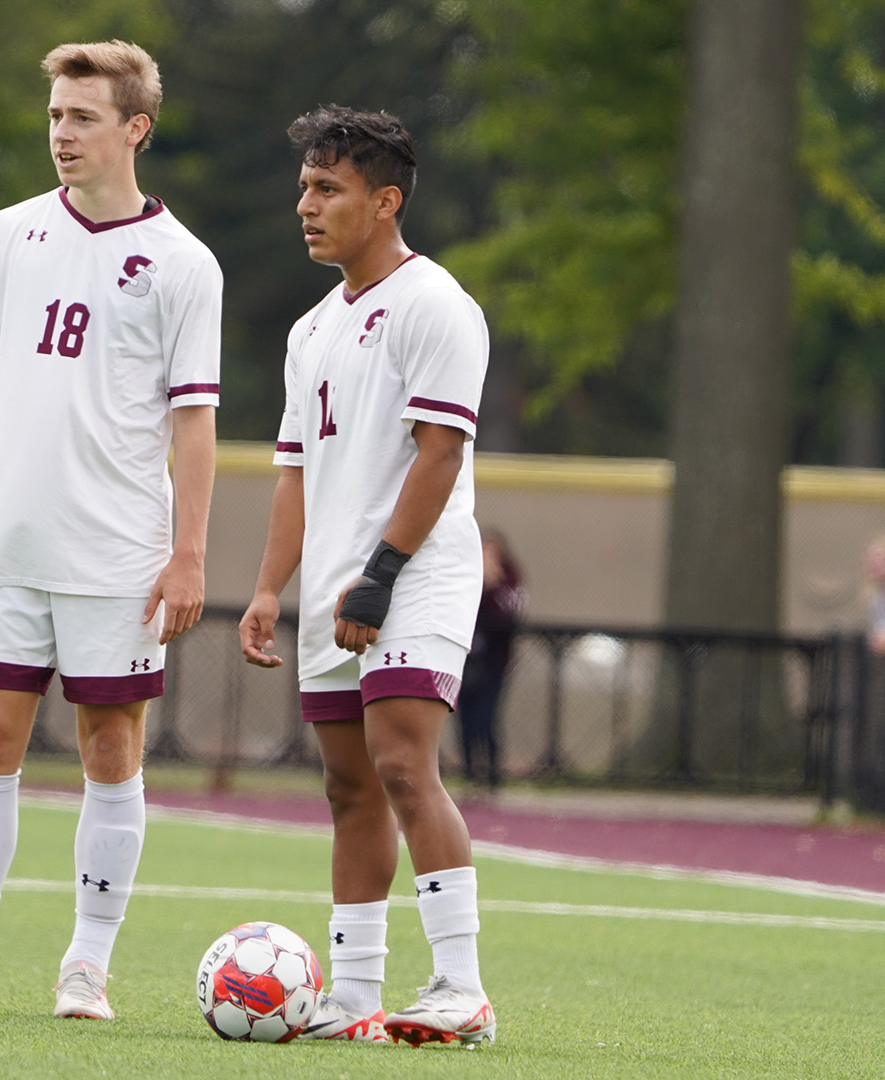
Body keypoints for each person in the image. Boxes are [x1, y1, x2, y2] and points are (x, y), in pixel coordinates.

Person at [0, 40, 222, 1020]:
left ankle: (87, 967)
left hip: (118, 554)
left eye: (81, 117)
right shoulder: (8, 235)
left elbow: (196, 419)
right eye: (53, 116)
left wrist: (189, 554)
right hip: (9, 542)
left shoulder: (183, 264)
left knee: (110, 751)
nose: (61, 134)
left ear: (136, 129)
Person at [238, 105, 495, 1047]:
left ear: (384, 201)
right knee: (348, 788)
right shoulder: (311, 331)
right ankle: (353, 997)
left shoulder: (436, 305)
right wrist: (269, 588)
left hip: (413, 574)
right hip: (333, 588)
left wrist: (382, 574)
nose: (304, 204)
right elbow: (296, 474)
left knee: (400, 764)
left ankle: (462, 990)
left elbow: (438, 456)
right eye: (304, 186)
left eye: (327, 188)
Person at [458, 528, 525, 793]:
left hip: (493, 664)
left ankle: (493, 776)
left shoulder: (509, 581)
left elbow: (508, 619)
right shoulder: (463, 577)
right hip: (463, 661)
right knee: (464, 720)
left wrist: (492, 587)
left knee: (486, 719)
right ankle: (470, 775)